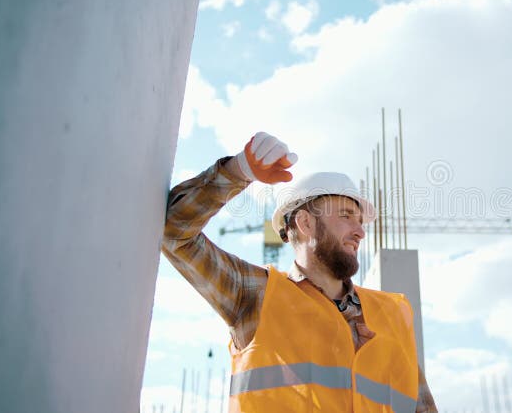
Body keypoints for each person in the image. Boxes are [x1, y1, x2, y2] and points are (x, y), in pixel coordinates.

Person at [162, 131, 437, 412]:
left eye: (360, 221)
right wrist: (238, 171)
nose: (360, 232)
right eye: (345, 216)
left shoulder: (391, 315)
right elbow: (175, 234)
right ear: (305, 223)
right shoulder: (256, 296)